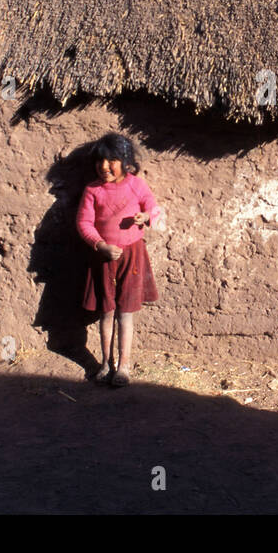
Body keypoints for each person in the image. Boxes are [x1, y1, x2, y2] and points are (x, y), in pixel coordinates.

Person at [75, 133, 163, 386]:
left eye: (111, 160)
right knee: (106, 312)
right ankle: (105, 363)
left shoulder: (136, 185)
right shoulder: (93, 190)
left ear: (126, 161)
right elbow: (84, 222)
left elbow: (154, 208)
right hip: (103, 258)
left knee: (125, 313)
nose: (104, 167)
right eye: (100, 161)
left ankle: (123, 366)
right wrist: (100, 245)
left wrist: (146, 217)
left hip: (132, 256)